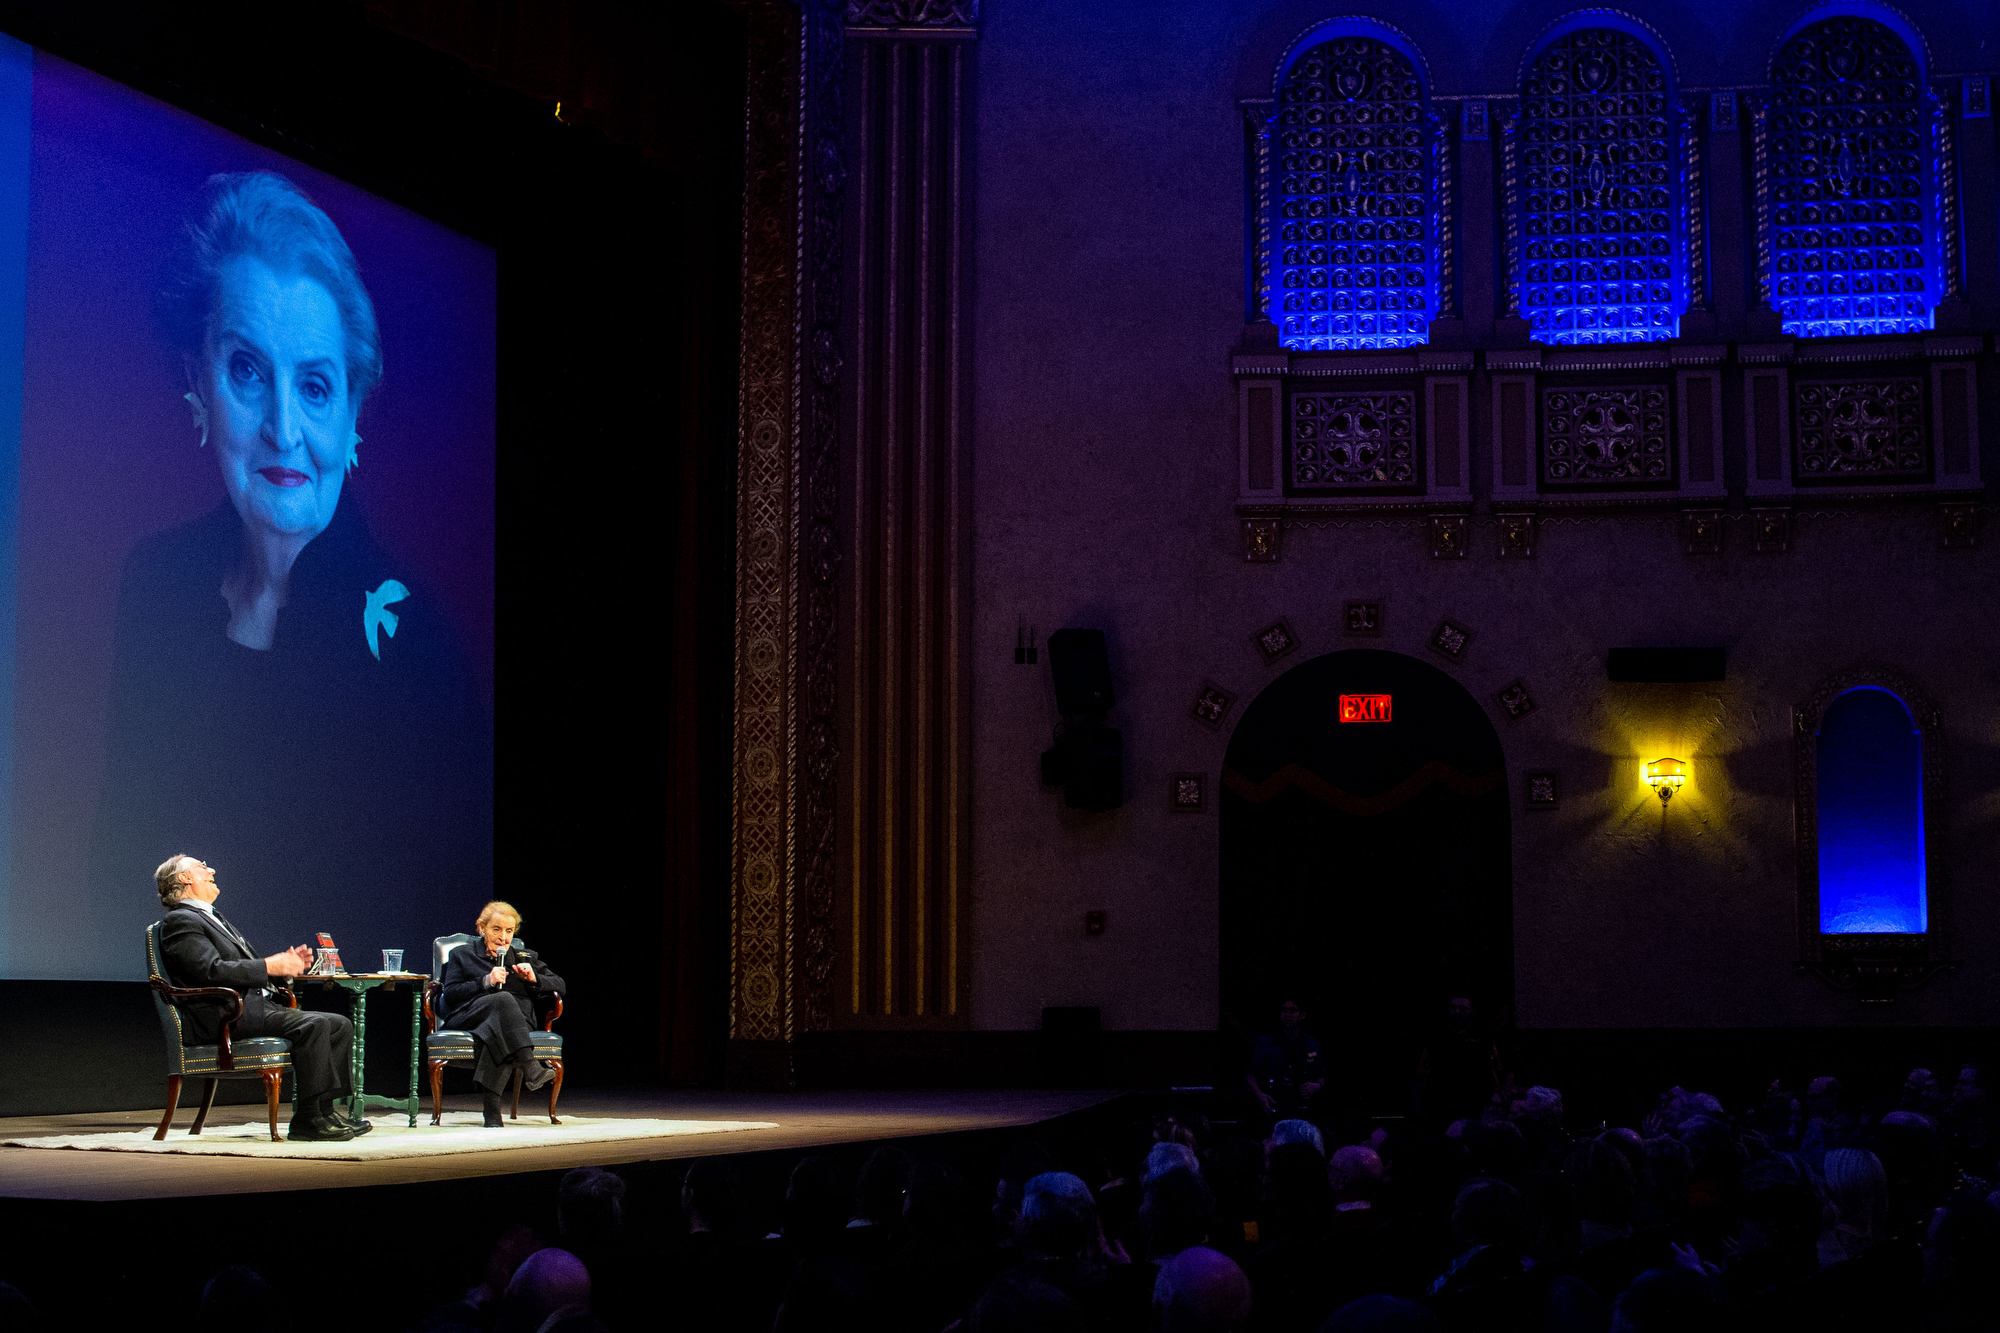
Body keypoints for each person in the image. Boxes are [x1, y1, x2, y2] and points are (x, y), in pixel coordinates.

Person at [92, 170, 491, 971]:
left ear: (352, 410)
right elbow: (114, 868)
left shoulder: (421, 646)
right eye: (245, 369)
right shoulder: (158, 584)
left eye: (313, 385)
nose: (281, 426)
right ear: (196, 378)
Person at [154, 854, 364, 1142]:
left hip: (253, 1007)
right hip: (226, 1015)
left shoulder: (214, 918)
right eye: (202, 866)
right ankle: (307, 1119)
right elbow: (210, 971)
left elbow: (241, 970)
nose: (212, 869)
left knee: (339, 1024)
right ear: (185, 879)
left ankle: (324, 1111)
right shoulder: (180, 920)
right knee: (315, 1025)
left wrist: (284, 970)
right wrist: (269, 965)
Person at [439, 900, 565, 1127]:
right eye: (496, 929)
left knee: (499, 1029)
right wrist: (485, 981)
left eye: (509, 931)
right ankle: (531, 1067)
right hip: (468, 1017)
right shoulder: (462, 955)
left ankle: (492, 1113)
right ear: (481, 928)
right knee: (503, 1003)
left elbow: (560, 984)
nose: (503, 938)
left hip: (512, 1025)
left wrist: (534, 978)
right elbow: (451, 995)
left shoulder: (524, 957)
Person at [1247, 998, 1324, 1119]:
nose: (1287, 1015)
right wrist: (1260, 1095)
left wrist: (1316, 1086)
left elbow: (1321, 1074)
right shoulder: (1267, 1043)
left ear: (1302, 1015)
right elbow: (1251, 1074)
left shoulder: (1311, 1044)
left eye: (1292, 1010)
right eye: (1284, 1010)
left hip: (1302, 1106)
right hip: (1274, 1102)